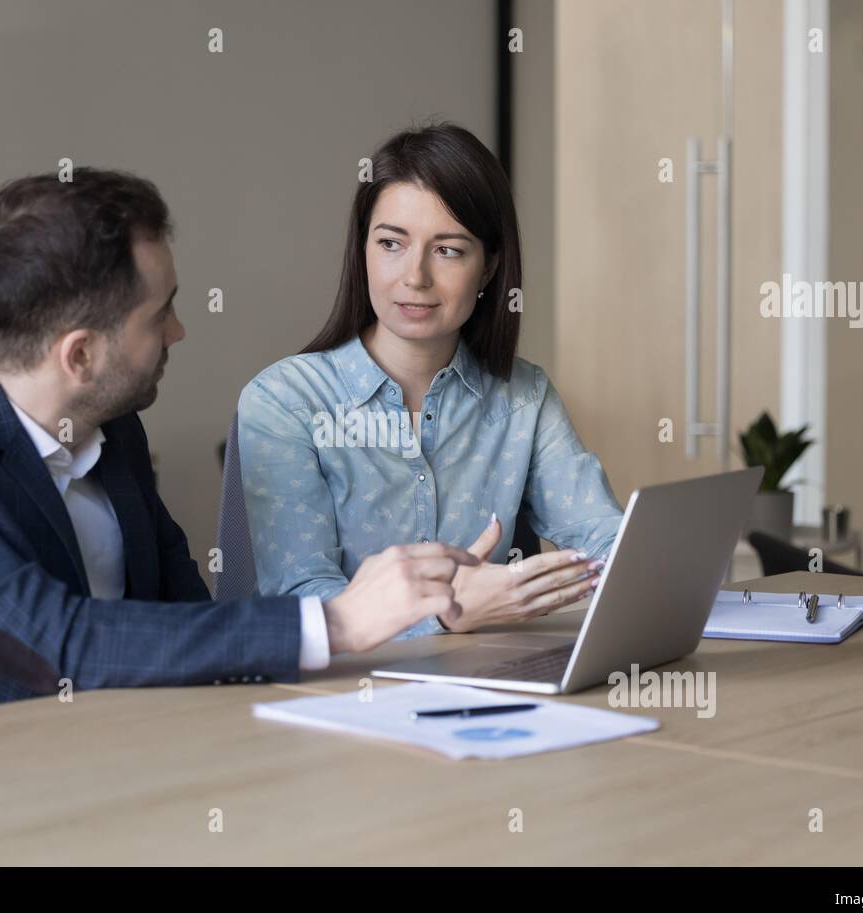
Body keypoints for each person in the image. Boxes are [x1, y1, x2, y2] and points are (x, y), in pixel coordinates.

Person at [0, 168, 475, 729]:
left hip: (108, 758)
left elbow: (184, 617)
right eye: (160, 315)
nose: (178, 332)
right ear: (80, 355)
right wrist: (334, 623)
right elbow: (52, 643)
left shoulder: (111, 419)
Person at [238, 123, 623, 640]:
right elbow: (300, 597)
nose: (415, 276)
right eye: (391, 243)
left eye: (448, 250)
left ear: (489, 268)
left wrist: (624, 574)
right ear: (363, 250)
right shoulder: (284, 401)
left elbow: (605, 543)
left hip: (490, 677)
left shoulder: (524, 396)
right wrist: (443, 615)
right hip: (348, 684)